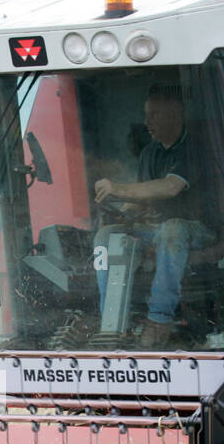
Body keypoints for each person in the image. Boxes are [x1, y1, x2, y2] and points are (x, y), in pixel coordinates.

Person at [92, 87, 216, 349]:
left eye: (154, 115)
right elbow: (141, 199)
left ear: (175, 115)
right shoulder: (149, 152)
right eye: (146, 115)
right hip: (158, 230)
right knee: (106, 235)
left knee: (172, 229)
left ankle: (159, 321)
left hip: (201, 229)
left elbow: (170, 187)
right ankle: (111, 324)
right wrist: (120, 215)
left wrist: (118, 188)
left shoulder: (193, 148)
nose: (147, 123)